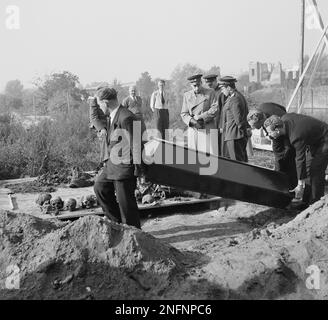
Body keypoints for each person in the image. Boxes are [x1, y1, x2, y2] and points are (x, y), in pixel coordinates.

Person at [90, 87, 145, 229]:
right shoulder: (112, 115)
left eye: (100, 104)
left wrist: (139, 171)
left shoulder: (127, 117)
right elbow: (94, 118)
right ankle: (116, 224)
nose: (100, 108)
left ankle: (134, 234)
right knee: (100, 188)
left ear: (106, 102)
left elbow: (137, 144)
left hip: (124, 168)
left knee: (127, 206)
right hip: (112, 165)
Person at [264, 113, 328, 205]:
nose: (268, 135)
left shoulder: (296, 136)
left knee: (316, 170)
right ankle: (306, 201)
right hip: (314, 140)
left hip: (325, 138)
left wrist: (300, 184)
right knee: (308, 168)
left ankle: (316, 203)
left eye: (270, 132)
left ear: (277, 130)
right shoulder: (284, 119)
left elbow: (300, 159)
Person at [247, 103, 298, 189]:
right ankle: (281, 178)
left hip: (287, 130)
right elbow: (282, 107)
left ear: (260, 120)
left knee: (286, 155)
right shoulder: (263, 108)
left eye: (254, 126)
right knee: (281, 154)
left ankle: (285, 183)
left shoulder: (276, 120)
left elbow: (278, 146)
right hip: (280, 126)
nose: (253, 128)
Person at [180, 74, 219, 155]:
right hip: (193, 129)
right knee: (194, 157)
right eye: (194, 86)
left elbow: (215, 109)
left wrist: (200, 118)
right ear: (191, 85)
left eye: (198, 85)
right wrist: (193, 121)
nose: (196, 88)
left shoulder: (210, 92)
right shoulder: (187, 95)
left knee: (210, 156)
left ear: (201, 83)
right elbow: (184, 113)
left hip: (207, 127)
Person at [220, 76, 249, 162]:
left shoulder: (235, 99)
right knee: (240, 161)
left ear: (228, 88)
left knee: (237, 163)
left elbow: (239, 120)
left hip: (235, 136)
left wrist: (242, 133)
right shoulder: (236, 96)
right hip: (236, 135)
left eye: (222, 88)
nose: (222, 91)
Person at [203, 74, 226, 155]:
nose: (209, 86)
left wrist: (221, 125)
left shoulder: (221, 91)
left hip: (220, 122)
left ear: (215, 81)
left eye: (211, 84)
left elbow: (221, 109)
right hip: (211, 123)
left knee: (220, 147)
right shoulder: (207, 92)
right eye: (208, 84)